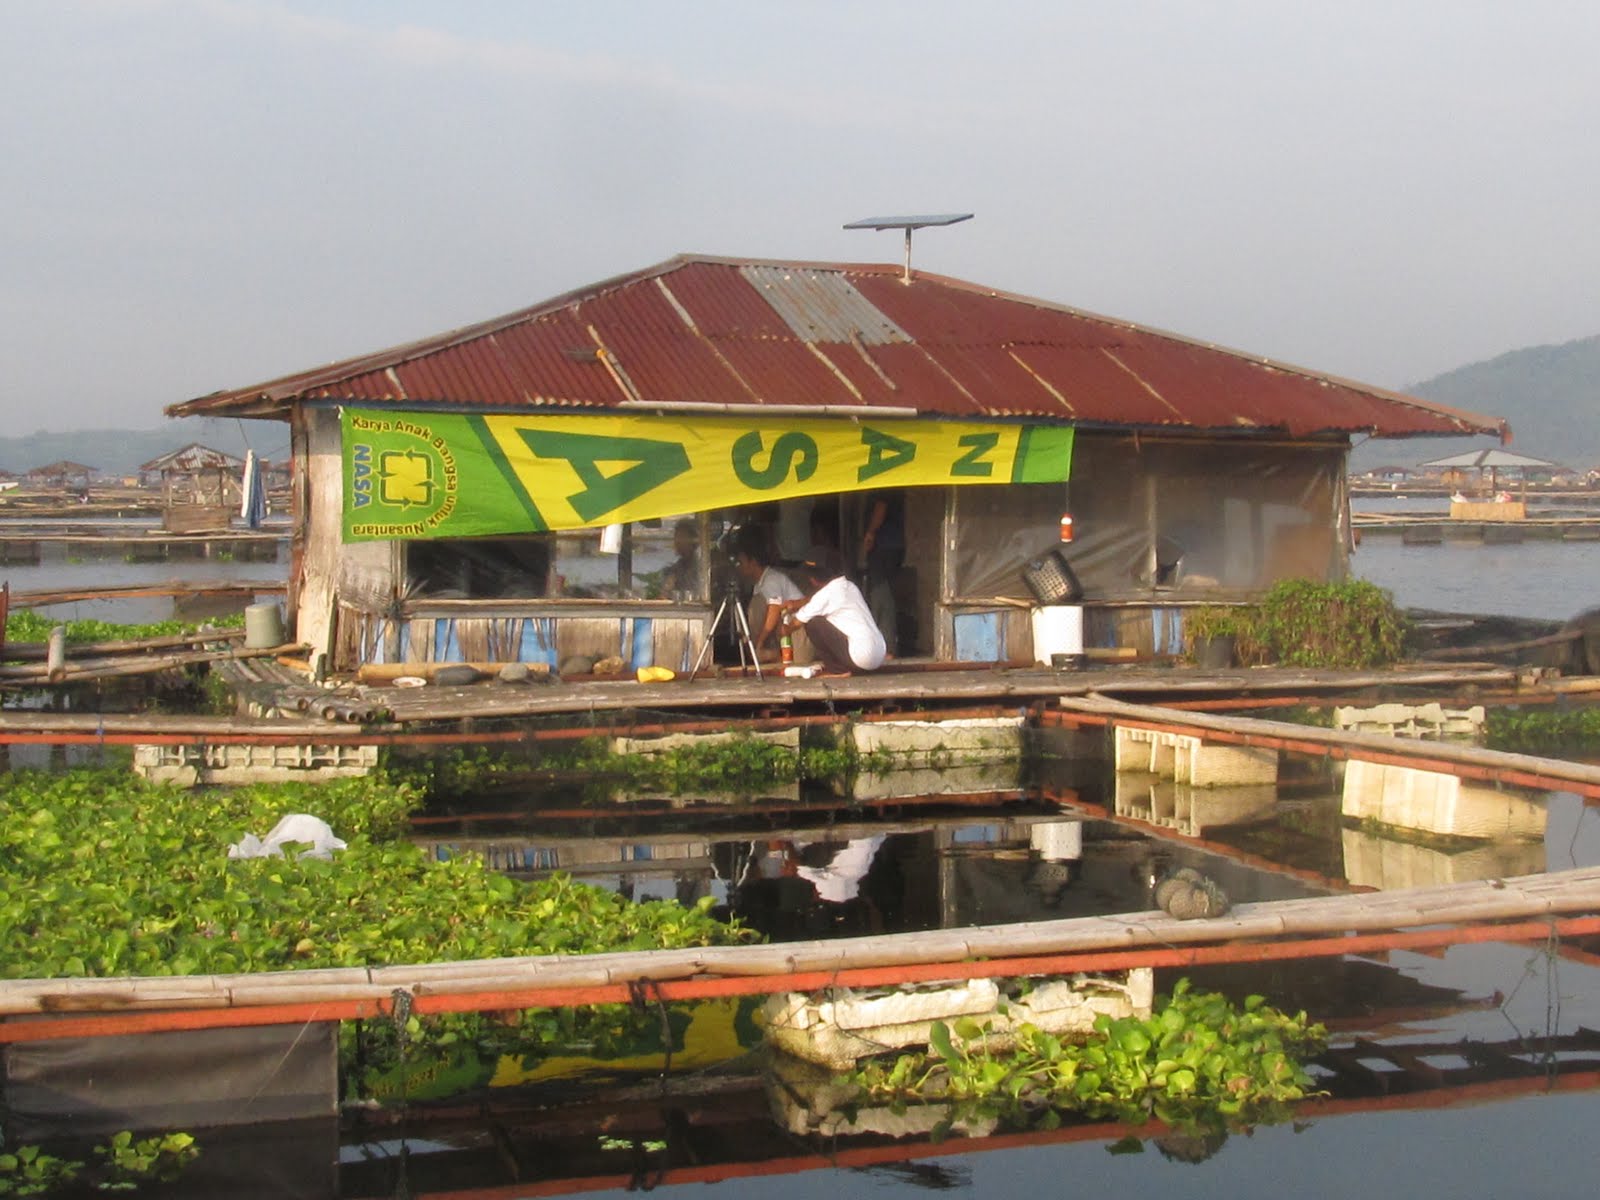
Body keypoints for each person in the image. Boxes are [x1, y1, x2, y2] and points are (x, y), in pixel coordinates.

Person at [780, 547, 887, 675]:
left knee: (813, 623)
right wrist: (796, 604)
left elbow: (797, 622)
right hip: (878, 654)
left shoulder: (825, 595)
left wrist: (784, 629)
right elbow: (815, 600)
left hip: (861, 657)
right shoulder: (850, 586)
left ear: (813, 579)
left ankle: (838, 670)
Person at [732, 530, 811, 662]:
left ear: (753, 562)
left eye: (741, 562)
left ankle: (772, 654)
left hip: (797, 631)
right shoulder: (758, 584)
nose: (739, 567)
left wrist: (759, 643)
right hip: (785, 632)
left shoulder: (771, 580)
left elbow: (773, 611)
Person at [860, 490, 905, 655]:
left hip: (884, 547)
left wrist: (870, 533)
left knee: (881, 596)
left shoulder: (883, 487)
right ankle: (885, 645)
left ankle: (887, 648)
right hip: (892, 546)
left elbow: (881, 507)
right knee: (884, 595)